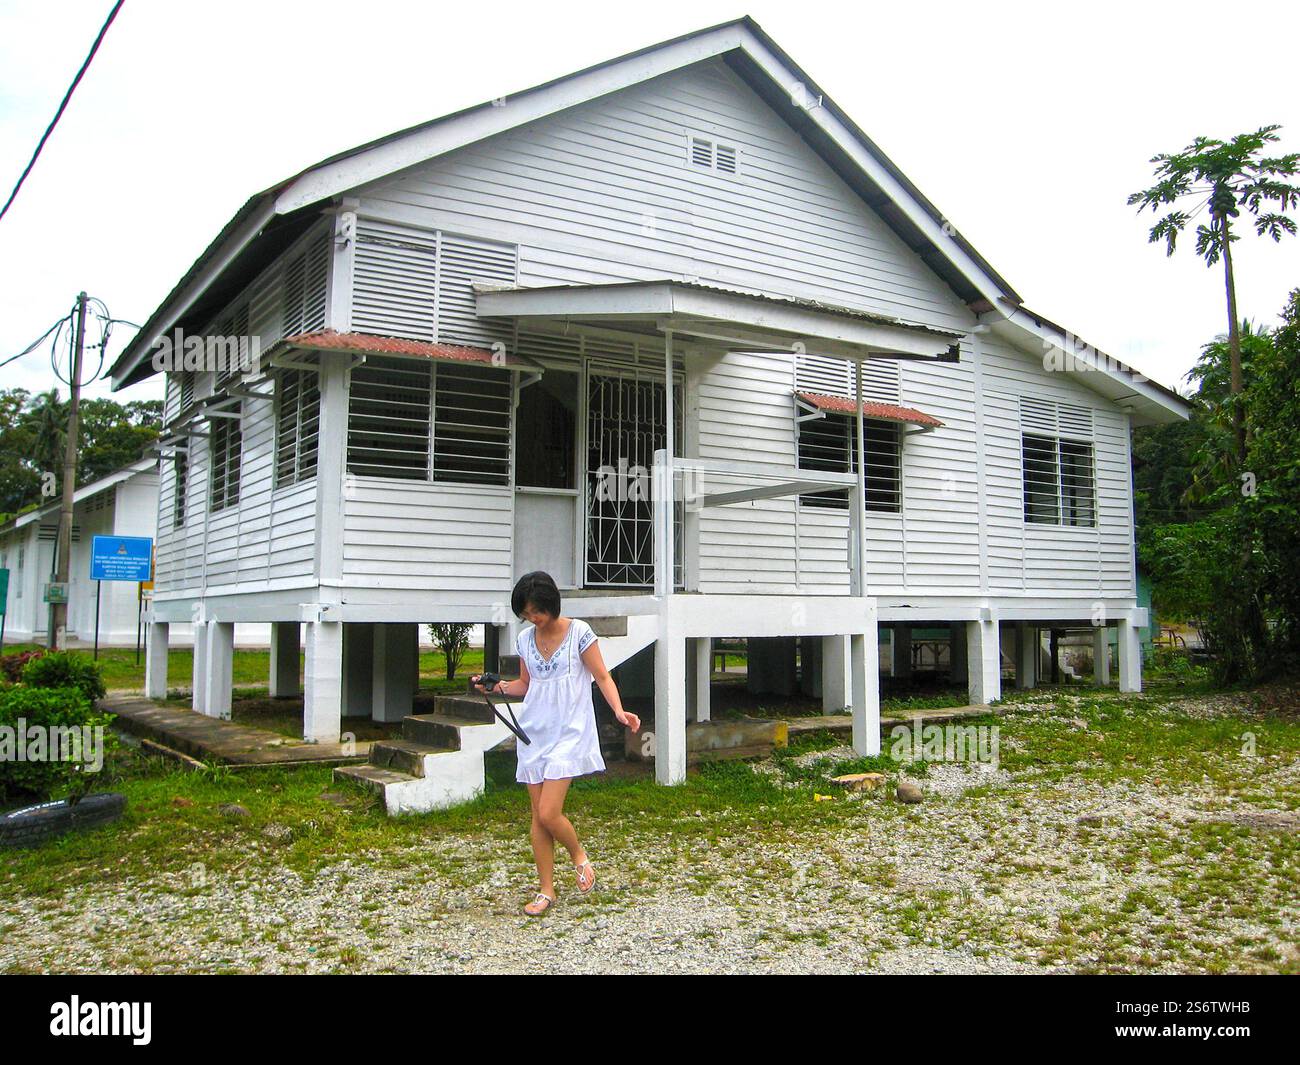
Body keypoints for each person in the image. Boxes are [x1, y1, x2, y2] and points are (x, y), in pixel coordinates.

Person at [472, 571, 640, 915]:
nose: (532, 618)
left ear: (551, 604)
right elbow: (524, 684)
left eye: (536, 611)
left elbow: (602, 676)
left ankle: (578, 854)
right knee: (537, 817)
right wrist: (495, 686)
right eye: (526, 613)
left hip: (570, 731)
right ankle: (546, 890)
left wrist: (620, 711)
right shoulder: (524, 639)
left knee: (550, 811)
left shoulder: (579, 633)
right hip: (534, 733)